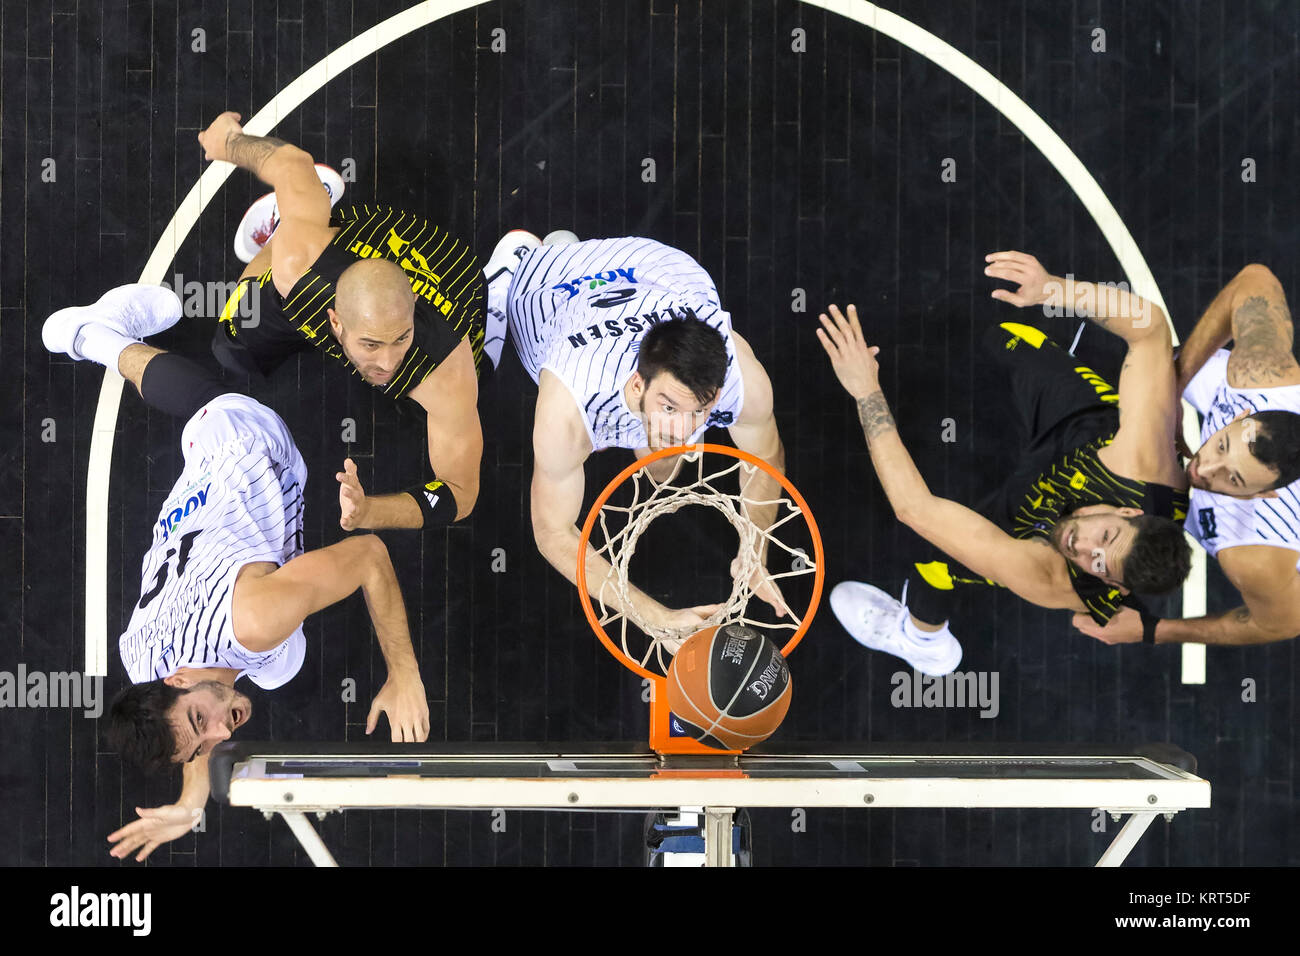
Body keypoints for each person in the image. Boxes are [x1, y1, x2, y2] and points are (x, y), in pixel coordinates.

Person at [42, 283, 430, 862]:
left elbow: (371, 555)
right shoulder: (142, 665)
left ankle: (91, 334)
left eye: (204, 719)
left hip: (245, 449)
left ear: (173, 681)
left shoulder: (254, 621)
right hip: (204, 519)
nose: (222, 734)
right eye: (203, 738)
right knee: (275, 671)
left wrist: (403, 676)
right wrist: (192, 803)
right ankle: (93, 337)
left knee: (210, 402)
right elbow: (189, 732)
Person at [819, 252, 1192, 675]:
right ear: (1129, 511)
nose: (1083, 547)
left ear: (1111, 584)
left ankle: (923, 640)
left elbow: (915, 509)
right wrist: (1053, 288)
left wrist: (865, 388)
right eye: (1106, 535)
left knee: (937, 557)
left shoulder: (1051, 577)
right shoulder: (1143, 462)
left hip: (1028, 520)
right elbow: (1150, 329)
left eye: (1100, 564)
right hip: (1080, 430)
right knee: (1009, 336)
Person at [198, 111, 486, 532]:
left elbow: (461, 493)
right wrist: (228, 142)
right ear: (334, 321)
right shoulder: (299, 271)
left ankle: (499, 294)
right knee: (232, 341)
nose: (388, 363)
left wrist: (371, 512)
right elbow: (292, 164)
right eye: (372, 345)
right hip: (345, 239)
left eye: (400, 338)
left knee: (474, 385)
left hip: (456, 276)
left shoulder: (444, 370)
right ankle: (293, 215)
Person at [491, 231, 788, 636]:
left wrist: (756, 546)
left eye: (698, 411)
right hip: (550, 290)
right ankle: (539, 252)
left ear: (716, 395)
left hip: (657, 268)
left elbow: (765, 455)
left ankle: (565, 245)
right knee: (482, 362)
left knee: (662, 464)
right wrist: (656, 617)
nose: (682, 428)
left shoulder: (741, 380)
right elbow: (551, 531)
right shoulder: (568, 406)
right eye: (669, 406)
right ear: (636, 385)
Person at [1075, 263, 1300, 646]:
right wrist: (1174, 392)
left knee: (1131, 516)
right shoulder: (1260, 374)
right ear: (1244, 414)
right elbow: (1253, 279)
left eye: (1233, 479)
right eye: (1222, 446)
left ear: (1263, 495)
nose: (1204, 468)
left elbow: (1280, 624)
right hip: (1233, 404)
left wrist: (1152, 630)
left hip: (1256, 530)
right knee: (1154, 372)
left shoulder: (1253, 552)